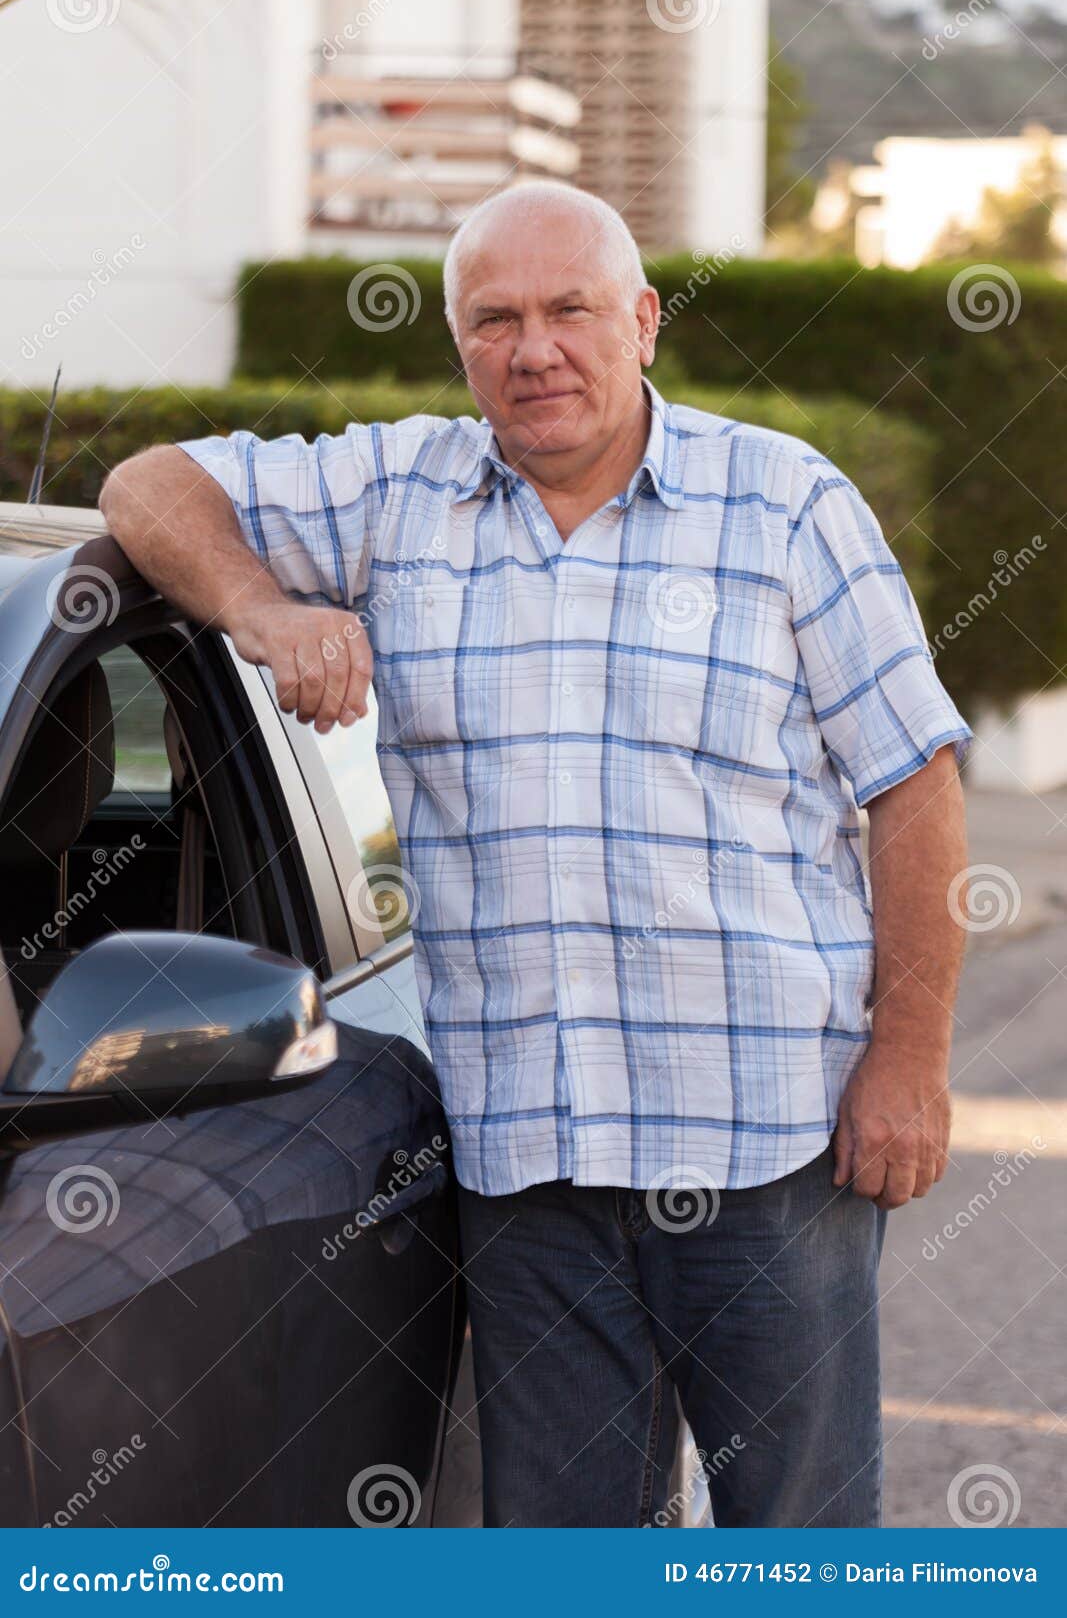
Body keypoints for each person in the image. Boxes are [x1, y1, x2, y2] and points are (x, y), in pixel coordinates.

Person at [100, 181, 971, 1528]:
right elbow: (147, 487)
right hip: (533, 1168)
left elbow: (915, 784)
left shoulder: (785, 507)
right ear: (461, 347)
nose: (534, 349)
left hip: (769, 1148)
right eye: (494, 319)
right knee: (564, 1555)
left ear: (643, 322)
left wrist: (907, 1058)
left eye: (570, 311)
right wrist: (265, 610)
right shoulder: (397, 494)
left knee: (799, 1545)